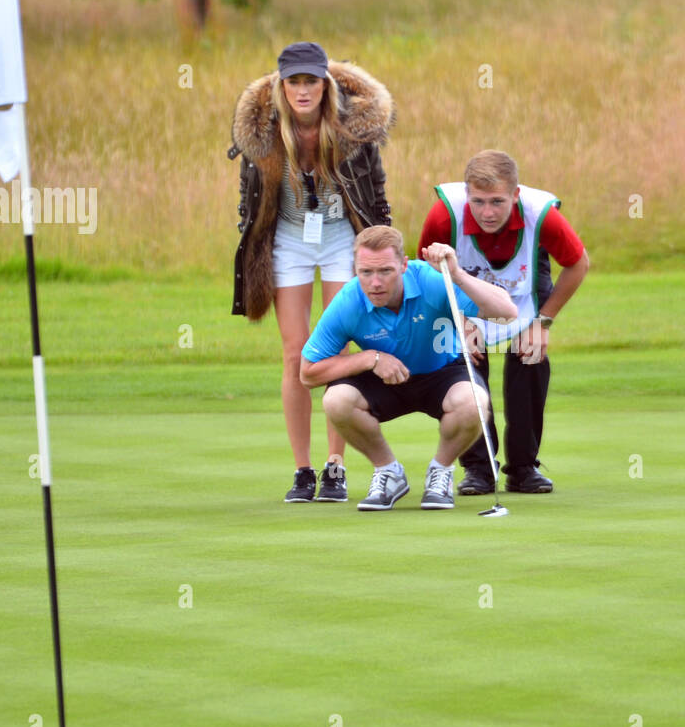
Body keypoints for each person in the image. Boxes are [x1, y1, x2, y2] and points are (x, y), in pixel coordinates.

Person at [228, 42, 395, 504]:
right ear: (282, 86)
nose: (303, 90)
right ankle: (302, 470)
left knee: (337, 345)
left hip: (343, 236)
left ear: (326, 84)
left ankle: (335, 466)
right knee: (295, 352)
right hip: (289, 239)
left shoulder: (352, 129)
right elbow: (250, 201)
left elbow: (376, 196)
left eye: (311, 81)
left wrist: (382, 245)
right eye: (294, 81)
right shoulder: (263, 132)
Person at [299, 226, 518, 511]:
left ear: (403, 265)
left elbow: (507, 313)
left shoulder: (431, 281)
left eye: (385, 271)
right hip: (384, 379)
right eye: (366, 272)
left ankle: (441, 471)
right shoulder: (348, 301)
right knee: (336, 401)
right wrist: (370, 359)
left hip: (442, 372)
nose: (375, 282)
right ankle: (388, 472)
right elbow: (308, 373)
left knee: (474, 402)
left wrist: (458, 275)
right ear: (355, 270)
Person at [418, 150, 589, 494]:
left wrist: (543, 322)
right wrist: (457, 324)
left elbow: (578, 264)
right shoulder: (443, 216)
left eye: (497, 201)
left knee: (530, 357)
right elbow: (423, 275)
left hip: (524, 294)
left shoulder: (543, 216)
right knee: (461, 365)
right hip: (466, 298)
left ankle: (524, 468)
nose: (487, 212)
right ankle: (480, 468)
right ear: (467, 195)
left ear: (515, 195)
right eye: (478, 201)